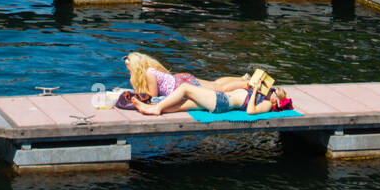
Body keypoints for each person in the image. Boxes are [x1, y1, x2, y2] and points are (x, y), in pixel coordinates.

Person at [133, 77, 293, 117]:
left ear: (275, 100)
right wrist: (252, 85)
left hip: (222, 102)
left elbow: (251, 111)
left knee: (185, 88)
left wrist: (255, 94)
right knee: (183, 105)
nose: (269, 91)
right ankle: (153, 108)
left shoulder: (266, 104)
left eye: (272, 91)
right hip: (220, 99)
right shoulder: (259, 95)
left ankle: (156, 108)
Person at [122, 53, 253, 99]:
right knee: (216, 84)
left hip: (182, 85)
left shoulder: (149, 75)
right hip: (181, 80)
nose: (129, 72)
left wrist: (135, 87)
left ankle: (247, 84)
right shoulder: (150, 70)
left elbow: (153, 96)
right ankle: (242, 79)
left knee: (220, 89)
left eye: (130, 70)